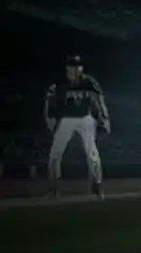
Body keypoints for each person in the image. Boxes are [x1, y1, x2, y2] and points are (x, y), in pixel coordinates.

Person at [44, 55, 110, 199]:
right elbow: (50, 102)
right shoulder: (59, 83)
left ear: (81, 69)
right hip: (66, 119)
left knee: (92, 154)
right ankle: (54, 189)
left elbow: (99, 101)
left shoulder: (89, 82)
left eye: (77, 67)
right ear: (67, 68)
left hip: (86, 118)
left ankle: (97, 186)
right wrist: (50, 119)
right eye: (72, 67)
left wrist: (104, 119)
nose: (74, 70)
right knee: (55, 154)